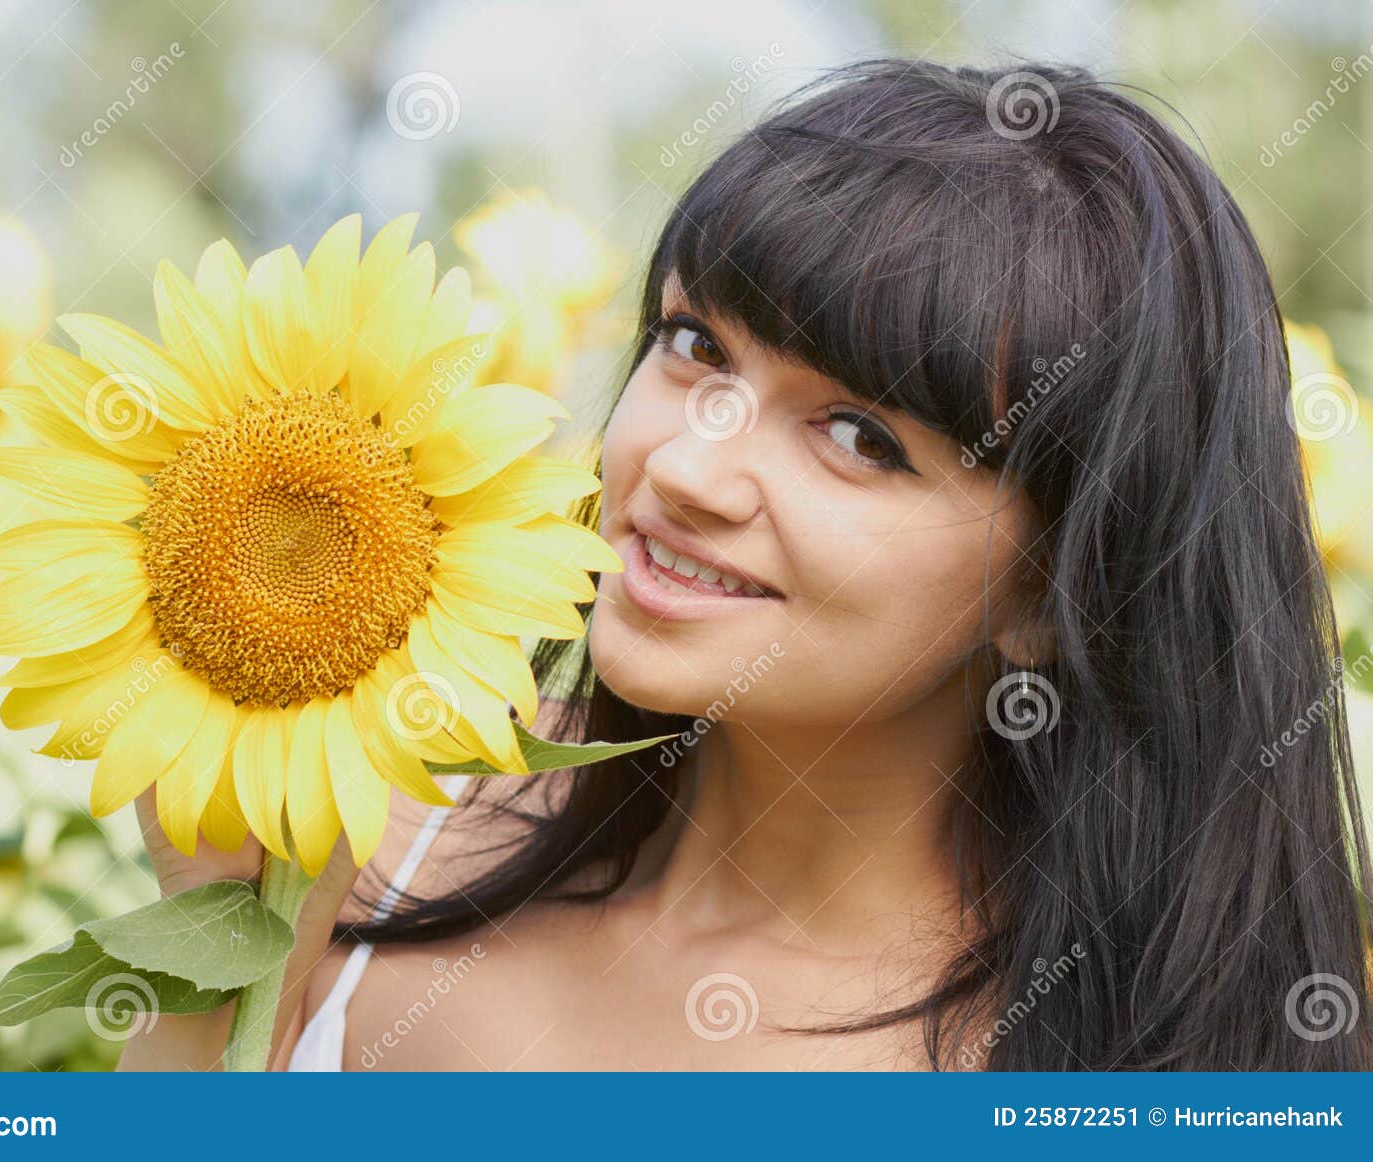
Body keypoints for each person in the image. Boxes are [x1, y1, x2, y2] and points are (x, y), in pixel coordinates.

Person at [117, 59, 1373, 1072]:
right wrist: (217, 933)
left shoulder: (1081, 1074)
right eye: (693, 344)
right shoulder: (377, 829)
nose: (684, 469)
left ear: (1052, 597)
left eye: (861, 437)